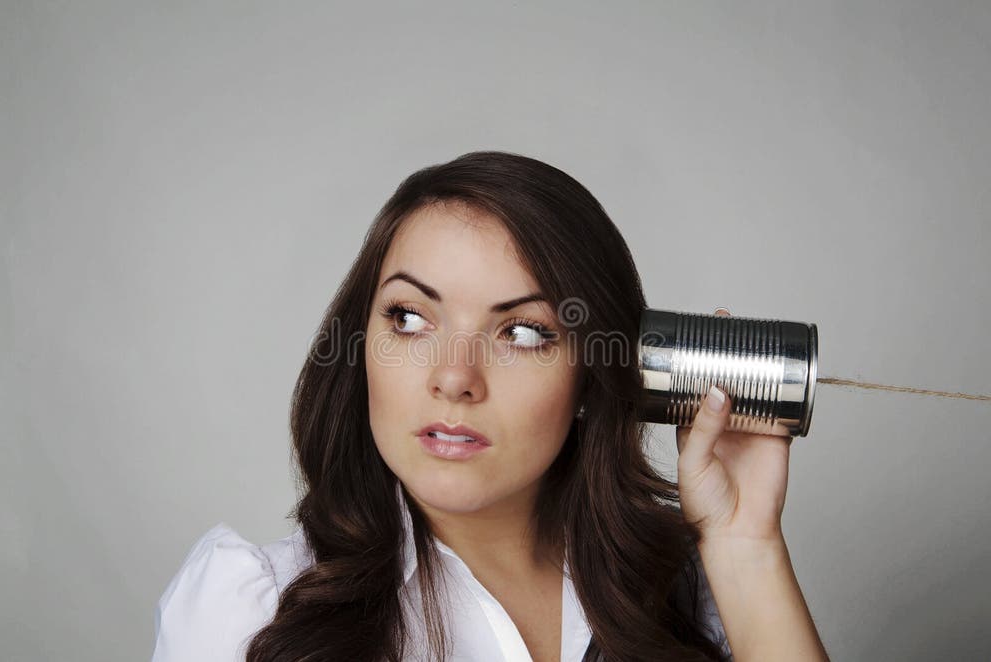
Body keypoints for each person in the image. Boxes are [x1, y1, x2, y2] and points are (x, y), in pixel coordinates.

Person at [151, 151, 829, 661]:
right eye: (410, 319)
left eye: (524, 332)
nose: (454, 378)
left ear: (594, 377)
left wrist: (746, 547)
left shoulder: (682, 592)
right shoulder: (251, 612)